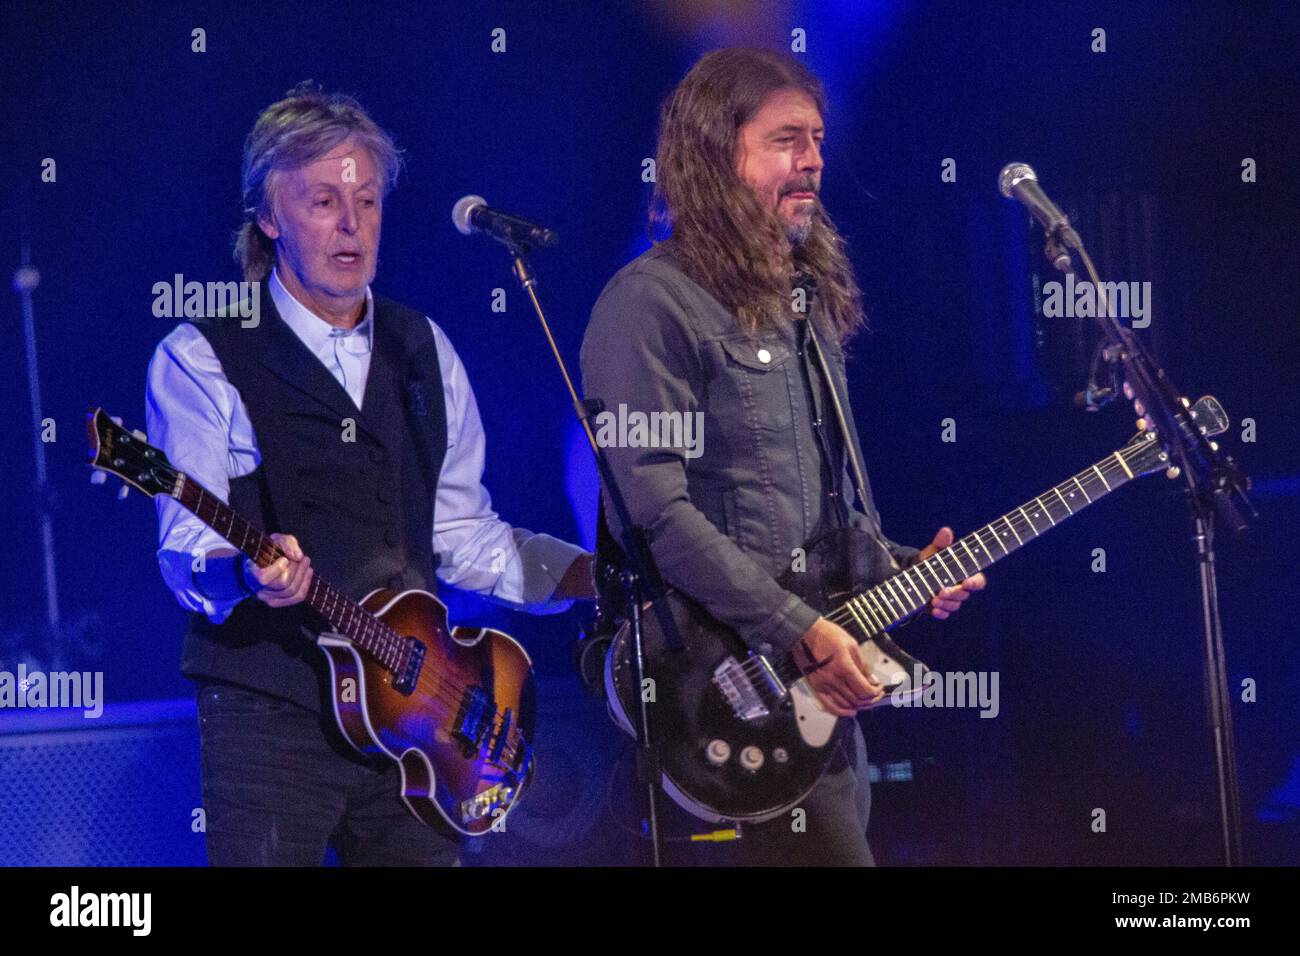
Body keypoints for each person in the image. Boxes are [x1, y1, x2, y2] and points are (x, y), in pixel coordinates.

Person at [146, 84, 594, 866]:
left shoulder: (423, 349)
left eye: (368, 200)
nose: (353, 224)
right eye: (323, 201)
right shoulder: (203, 356)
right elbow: (186, 545)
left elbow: (463, 536)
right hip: (268, 711)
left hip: (418, 725)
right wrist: (248, 577)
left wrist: (590, 575)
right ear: (268, 217)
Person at [580, 49, 985, 866]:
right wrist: (795, 631)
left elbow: (814, 508)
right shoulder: (648, 305)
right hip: (722, 703)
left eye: (818, 141)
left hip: (820, 707)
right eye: (786, 141)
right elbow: (656, 515)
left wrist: (902, 567)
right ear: (713, 153)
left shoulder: (803, 306)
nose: (813, 163)